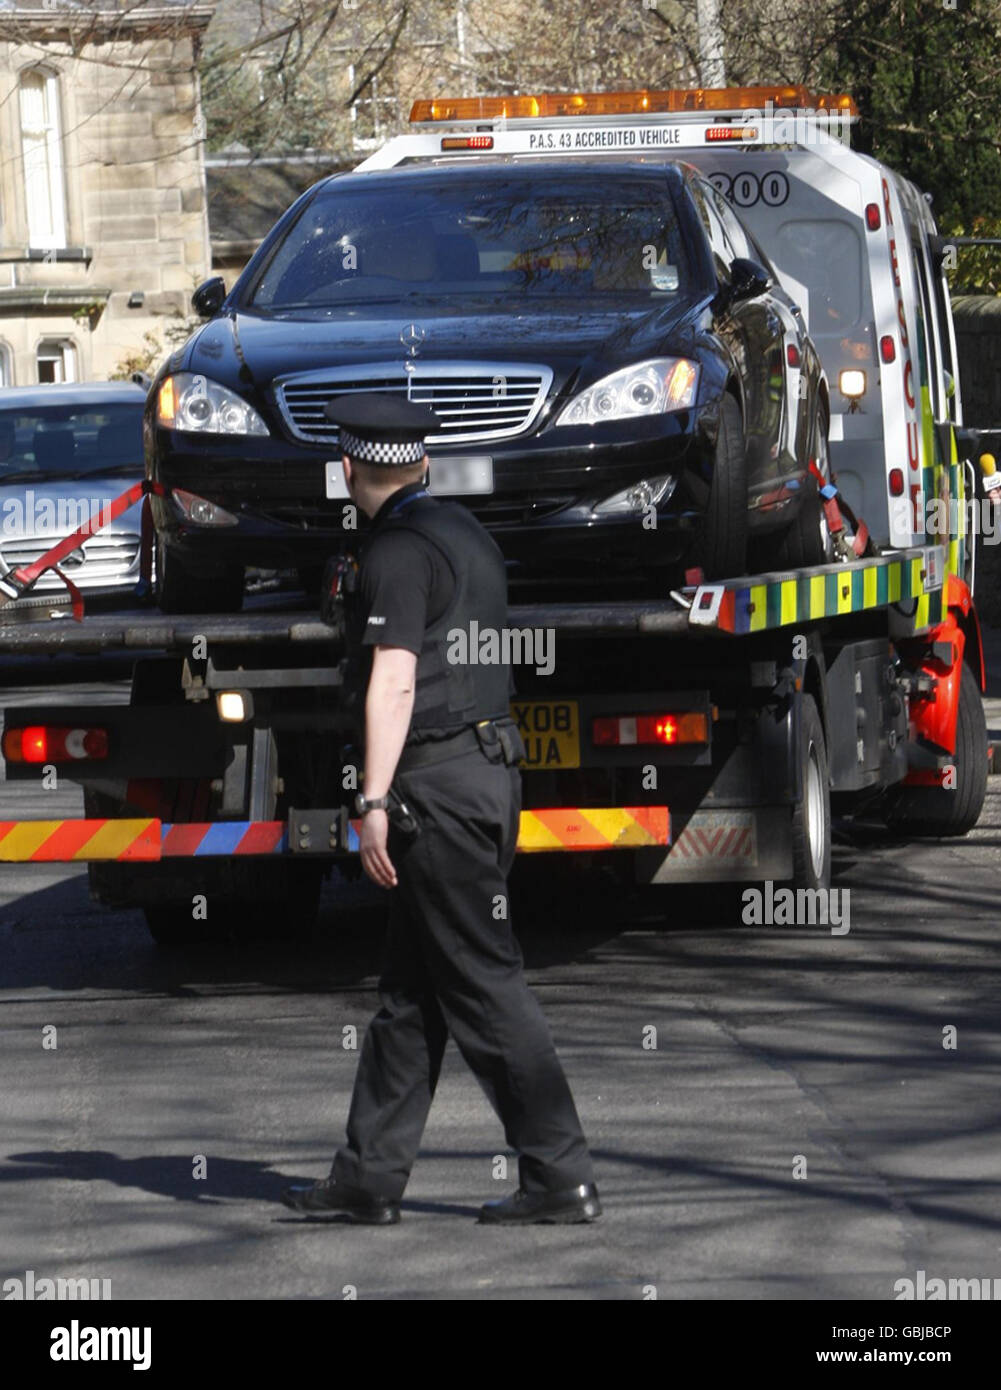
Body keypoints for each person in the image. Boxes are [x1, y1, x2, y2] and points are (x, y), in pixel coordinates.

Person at [281, 393, 599, 1226]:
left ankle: (559, 1175)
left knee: (486, 988)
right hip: (485, 773)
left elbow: (394, 678)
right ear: (420, 461)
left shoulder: (396, 552)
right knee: (411, 995)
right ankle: (367, 1178)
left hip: (434, 789)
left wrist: (373, 800)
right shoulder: (467, 536)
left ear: (349, 468)